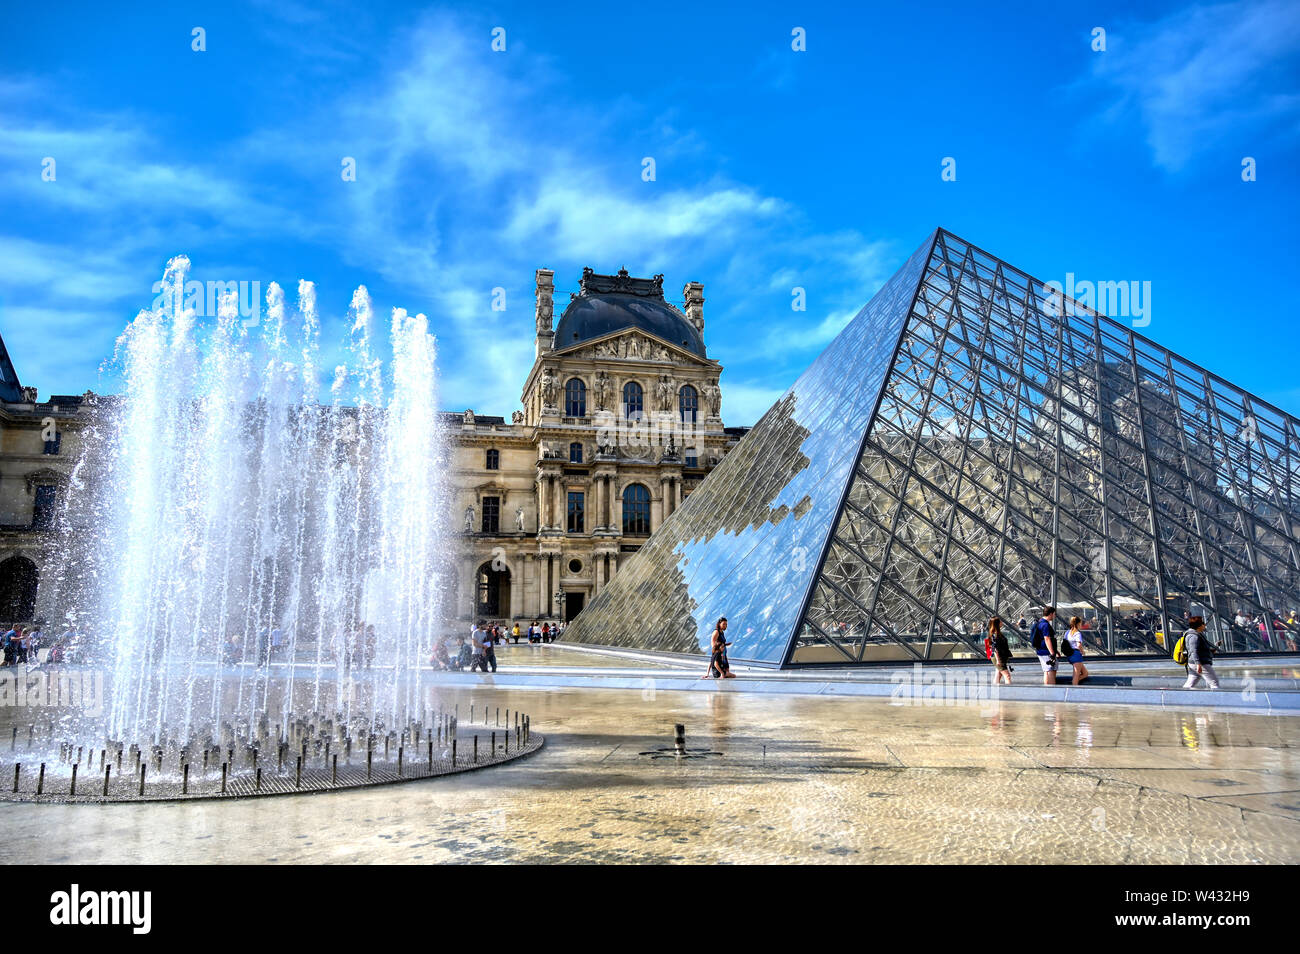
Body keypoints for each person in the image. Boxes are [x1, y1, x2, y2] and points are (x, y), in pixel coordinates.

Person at [1182, 616, 1220, 689]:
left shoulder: (1195, 634)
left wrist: (1216, 646)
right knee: (1214, 683)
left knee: (1190, 684)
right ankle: (1217, 698)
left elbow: (1202, 649)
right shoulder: (1194, 636)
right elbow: (1194, 651)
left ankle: (1181, 697)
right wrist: (1198, 664)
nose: (1204, 625)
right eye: (1203, 624)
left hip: (1194, 663)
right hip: (1201, 663)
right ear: (1199, 626)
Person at [1032, 606, 1059, 686]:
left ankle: (1047, 689)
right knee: (1050, 670)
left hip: (1042, 650)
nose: (1054, 616)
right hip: (1046, 651)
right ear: (1050, 614)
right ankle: (1051, 690)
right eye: (1054, 614)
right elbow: (1047, 639)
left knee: (1047, 671)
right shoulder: (1045, 625)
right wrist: (1052, 653)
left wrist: (1055, 651)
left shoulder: (1040, 622)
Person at [1063, 616, 1089, 685]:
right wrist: (1082, 652)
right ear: (1078, 624)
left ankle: (1073, 682)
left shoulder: (1067, 632)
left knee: (1085, 673)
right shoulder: (1077, 633)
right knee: (1076, 676)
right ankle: (1073, 687)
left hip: (1069, 655)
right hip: (1076, 655)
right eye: (1080, 623)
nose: (1081, 625)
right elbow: (1079, 645)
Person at [987, 616, 1012, 685]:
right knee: (1007, 675)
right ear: (997, 624)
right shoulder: (995, 635)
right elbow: (994, 648)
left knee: (998, 674)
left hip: (1000, 656)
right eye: (1000, 621)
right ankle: (1010, 691)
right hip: (998, 657)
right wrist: (998, 660)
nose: (1002, 622)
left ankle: (995, 689)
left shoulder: (996, 633)